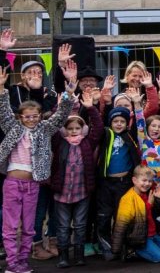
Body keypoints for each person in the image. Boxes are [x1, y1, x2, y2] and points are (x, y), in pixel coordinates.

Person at [0, 64, 76, 273]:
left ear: (40, 115)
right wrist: (1, 89)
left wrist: (69, 89)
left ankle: (23, 262)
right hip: (13, 183)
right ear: (21, 116)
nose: (31, 119)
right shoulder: (13, 127)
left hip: (33, 183)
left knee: (29, 227)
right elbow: (4, 112)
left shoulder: (44, 129)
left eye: (35, 116)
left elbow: (61, 115)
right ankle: (12, 263)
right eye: (27, 116)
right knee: (10, 226)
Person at [51, 85, 102, 268]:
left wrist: (90, 108)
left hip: (82, 192)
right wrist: (61, 106)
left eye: (77, 128)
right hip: (62, 193)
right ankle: (64, 255)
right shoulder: (58, 142)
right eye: (70, 128)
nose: (73, 131)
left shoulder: (87, 142)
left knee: (80, 224)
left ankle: (80, 254)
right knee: (63, 226)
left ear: (83, 129)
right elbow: (55, 124)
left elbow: (98, 128)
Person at [110, 166, 160, 263]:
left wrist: (159, 199)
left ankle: (149, 247)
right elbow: (120, 224)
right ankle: (133, 251)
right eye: (144, 180)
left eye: (150, 181)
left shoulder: (148, 193)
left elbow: (156, 214)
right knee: (159, 257)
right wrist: (116, 250)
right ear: (134, 180)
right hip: (139, 237)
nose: (147, 184)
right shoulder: (127, 199)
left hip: (152, 233)